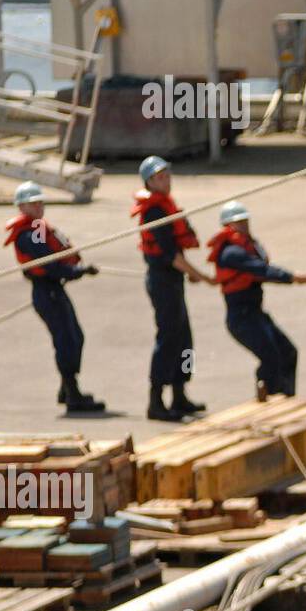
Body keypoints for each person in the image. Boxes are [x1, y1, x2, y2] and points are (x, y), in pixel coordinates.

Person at [2, 181, 104, 413]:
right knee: (66, 339)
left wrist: (74, 270)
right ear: (21, 208)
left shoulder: (37, 228)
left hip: (53, 289)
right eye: (32, 204)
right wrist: (80, 271)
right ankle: (73, 394)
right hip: (46, 291)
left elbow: (53, 259)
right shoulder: (29, 235)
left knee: (74, 336)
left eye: (40, 203)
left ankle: (66, 388)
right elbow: (50, 265)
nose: (38, 208)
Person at [205, 200, 306, 399]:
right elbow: (261, 270)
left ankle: (286, 397)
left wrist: (291, 279)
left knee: (288, 352)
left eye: (245, 221)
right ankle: (269, 399)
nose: (244, 225)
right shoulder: (232, 253)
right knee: (271, 358)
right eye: (238, 222)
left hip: (256, 314)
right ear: (227, 226)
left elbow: (262, 272)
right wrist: (293, 277)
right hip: (242, 318)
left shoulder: (246, 248)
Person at [131, 155, 212, 421]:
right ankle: (156, 401)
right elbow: (169, 255)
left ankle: (180, 393)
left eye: (167, 175)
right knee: (168, 339)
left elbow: (177, 250)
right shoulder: (154, 211)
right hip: (162, 280)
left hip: (173, 279)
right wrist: (200, 275)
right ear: (149, 182)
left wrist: (187, 273)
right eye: (159, 177)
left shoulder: (167, 206)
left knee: (184, 339)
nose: (165, 180)